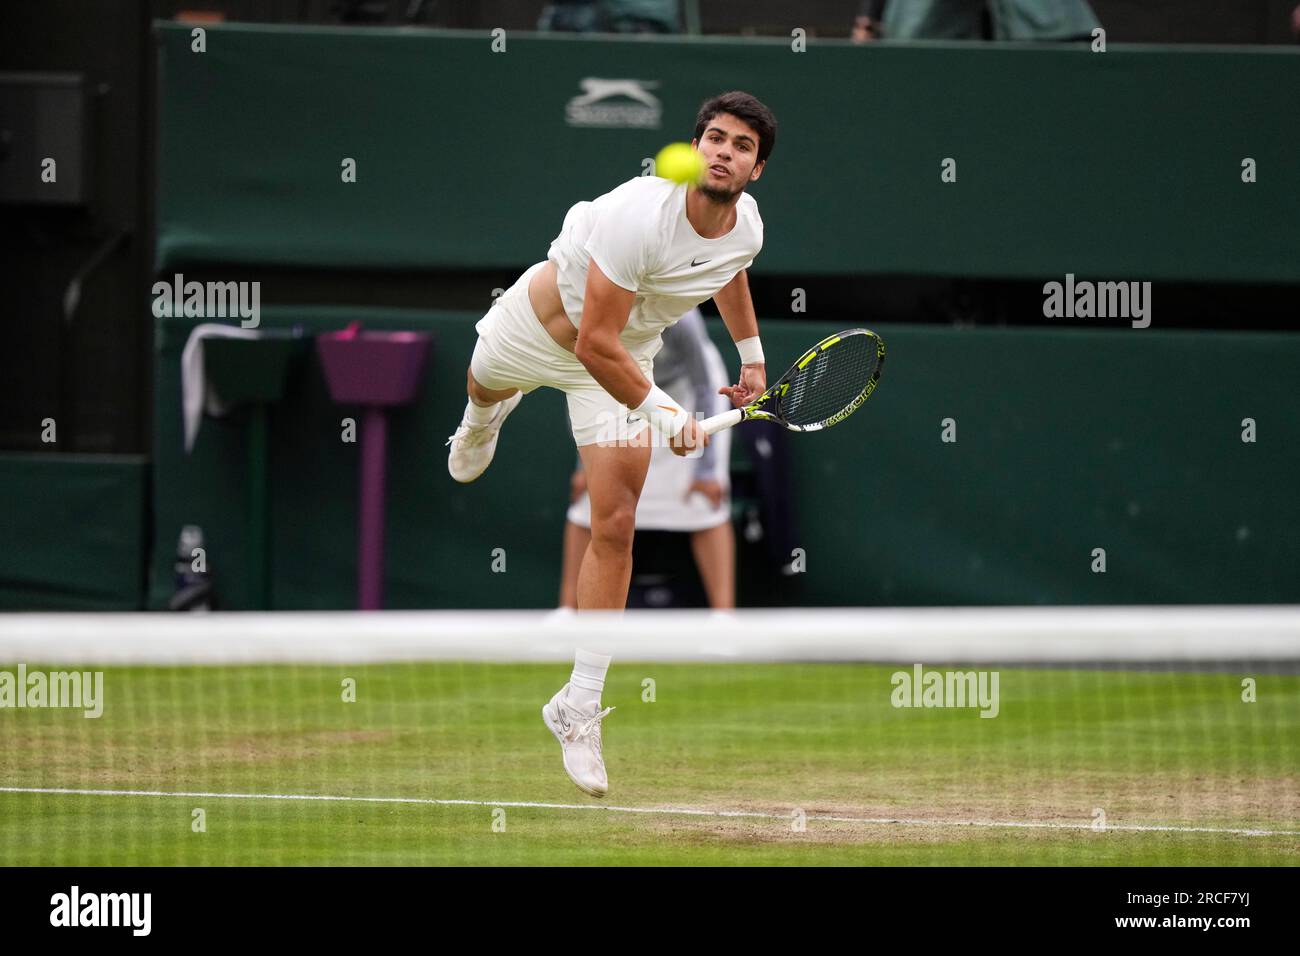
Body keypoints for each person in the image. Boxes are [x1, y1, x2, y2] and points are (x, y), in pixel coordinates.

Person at [445, 91, 775, 797]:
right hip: (540, 332)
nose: (723, 150)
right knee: (479, 386)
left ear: (757, 169)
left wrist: (751, 355)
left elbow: (729, 272)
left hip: (617, 368)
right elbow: (592, 341)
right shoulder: (636, 216)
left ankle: (579, 704)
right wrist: (665, 413)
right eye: (714, 137)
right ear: (697, 149)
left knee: (615, 523)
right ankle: (481, 419)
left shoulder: (746, 226)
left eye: (741, 144)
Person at [558, 308, 736, 611]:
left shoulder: (684, 320)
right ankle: (566, 611)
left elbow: (705, 386)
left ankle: (724, 616)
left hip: (687, 395)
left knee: (706, 505)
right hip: (622, 391)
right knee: (588, 503)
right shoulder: (601, 312)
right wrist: (584, 466)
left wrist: (706, 472)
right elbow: (583, 392)